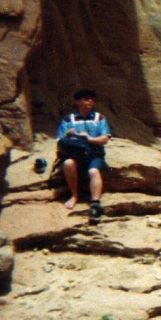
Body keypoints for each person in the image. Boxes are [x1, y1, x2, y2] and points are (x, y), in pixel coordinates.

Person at [56, 89, 112, 225]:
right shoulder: (68, 120)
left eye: (92, 99)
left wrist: (89, 139)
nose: (90, 101)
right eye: (86, 98)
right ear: (77, 101)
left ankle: (95, 204)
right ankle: (74, 195)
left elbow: (105, 138)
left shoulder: (99, 118)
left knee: (93, 171)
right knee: (68, 164)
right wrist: (67, 134)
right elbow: (59, 140)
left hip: (94, 154)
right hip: (75, 154)